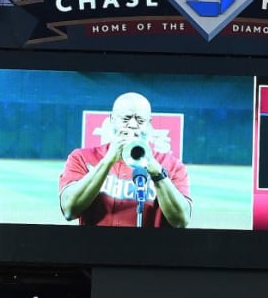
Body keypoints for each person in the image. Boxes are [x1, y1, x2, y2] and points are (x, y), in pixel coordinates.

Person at [57, 91, 193, 227]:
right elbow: (69, 210)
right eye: (126, 119)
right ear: (112, 119)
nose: (133, 125)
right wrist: (108, 160)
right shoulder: (82, 157)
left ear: (149, 123)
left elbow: (181, 221)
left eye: (140, 120)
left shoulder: (172, 165)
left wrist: (157, 172)